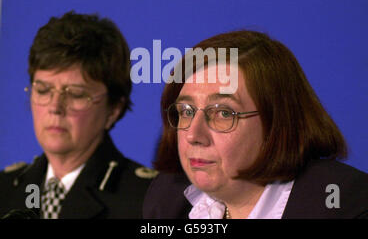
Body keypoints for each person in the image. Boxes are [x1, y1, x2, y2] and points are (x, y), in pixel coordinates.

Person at [143, 30, 368, 219]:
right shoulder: (168, 198)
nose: (193, 134)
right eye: (186, 111)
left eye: (223, 112)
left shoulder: (345, 203)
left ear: (277, 124)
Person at [0, 11, 157, 219]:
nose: (55, 107)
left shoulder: (148, 201)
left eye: (76, 94)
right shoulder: (5, 189)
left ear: (113, 109)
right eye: (43, 90)